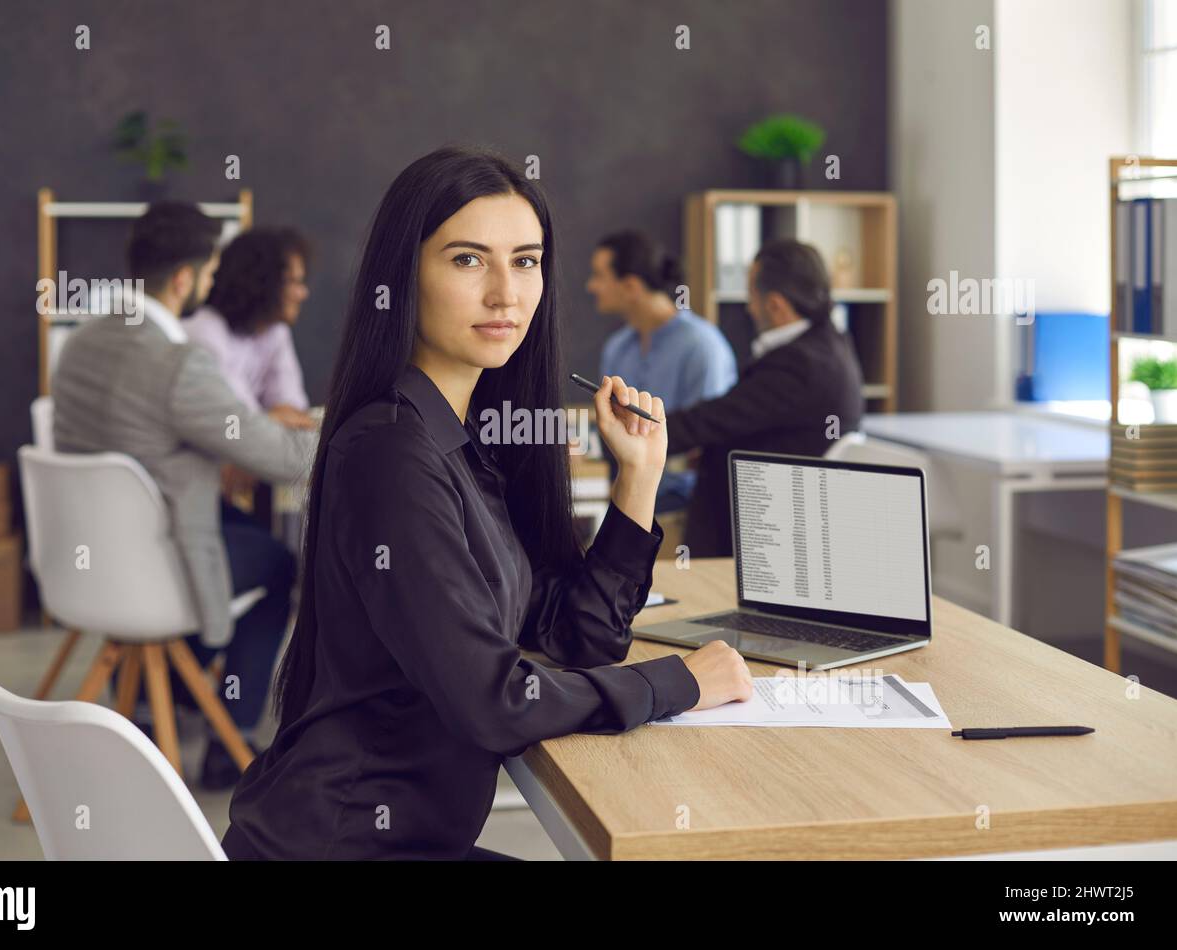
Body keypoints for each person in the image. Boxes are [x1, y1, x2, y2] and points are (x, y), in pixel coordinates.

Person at [220, 146, 752, 861]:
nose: (506, 292)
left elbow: (573, 642)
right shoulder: (390, 452)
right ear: (403, 277)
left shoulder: (459, 444)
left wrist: (638, 479)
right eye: (468, 260)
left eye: (526, 261)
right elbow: (492, 701)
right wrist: (677, 682)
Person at [51, 201, 318, 789]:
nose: (211, 282)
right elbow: (280, 459)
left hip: (84, 562)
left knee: (241, 536)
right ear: (184, 279)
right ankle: (229, 732)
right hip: (152, 564)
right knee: (278, 564)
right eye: (208, 271)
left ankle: (160, 694)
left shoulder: (78, 344)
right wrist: (358, 434)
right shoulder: (176, 365)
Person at [664, 239, 865, 557]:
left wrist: (640, 431)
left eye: (752, 297)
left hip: (768, 524)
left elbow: (714, 419)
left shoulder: (801, 364)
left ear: (775, 305)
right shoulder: (831, 344)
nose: (748, 308)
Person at [589, 230, 737, 512]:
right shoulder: (617, 347)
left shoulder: (702, 346)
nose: (591, 286)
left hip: (687, 506)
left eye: (599, 276)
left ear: (631, 286)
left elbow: (703, 443)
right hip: (625, 493)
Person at [183, 227, 313, 423]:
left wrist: (273, 418)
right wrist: (273, 418)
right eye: (291, 282)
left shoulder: (275, 330)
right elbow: (238, 423)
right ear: (259, 282)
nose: (303, 293)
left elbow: (294, 408)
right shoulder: (205, 331)